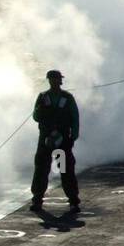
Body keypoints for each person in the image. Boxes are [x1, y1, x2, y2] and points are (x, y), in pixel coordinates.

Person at [30, 70, 81, 213]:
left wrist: (73, 135)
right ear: (50, 80)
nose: (56, 82)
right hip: (45, 139)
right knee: (41, 169)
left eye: (57, 79)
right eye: (53, 79)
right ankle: (37, 199)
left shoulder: (67, 97)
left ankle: (73, 201)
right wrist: (41, 110)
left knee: (66, 170)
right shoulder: (42, 97)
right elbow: (35, 116)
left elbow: (75, 116)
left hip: (63, 140)